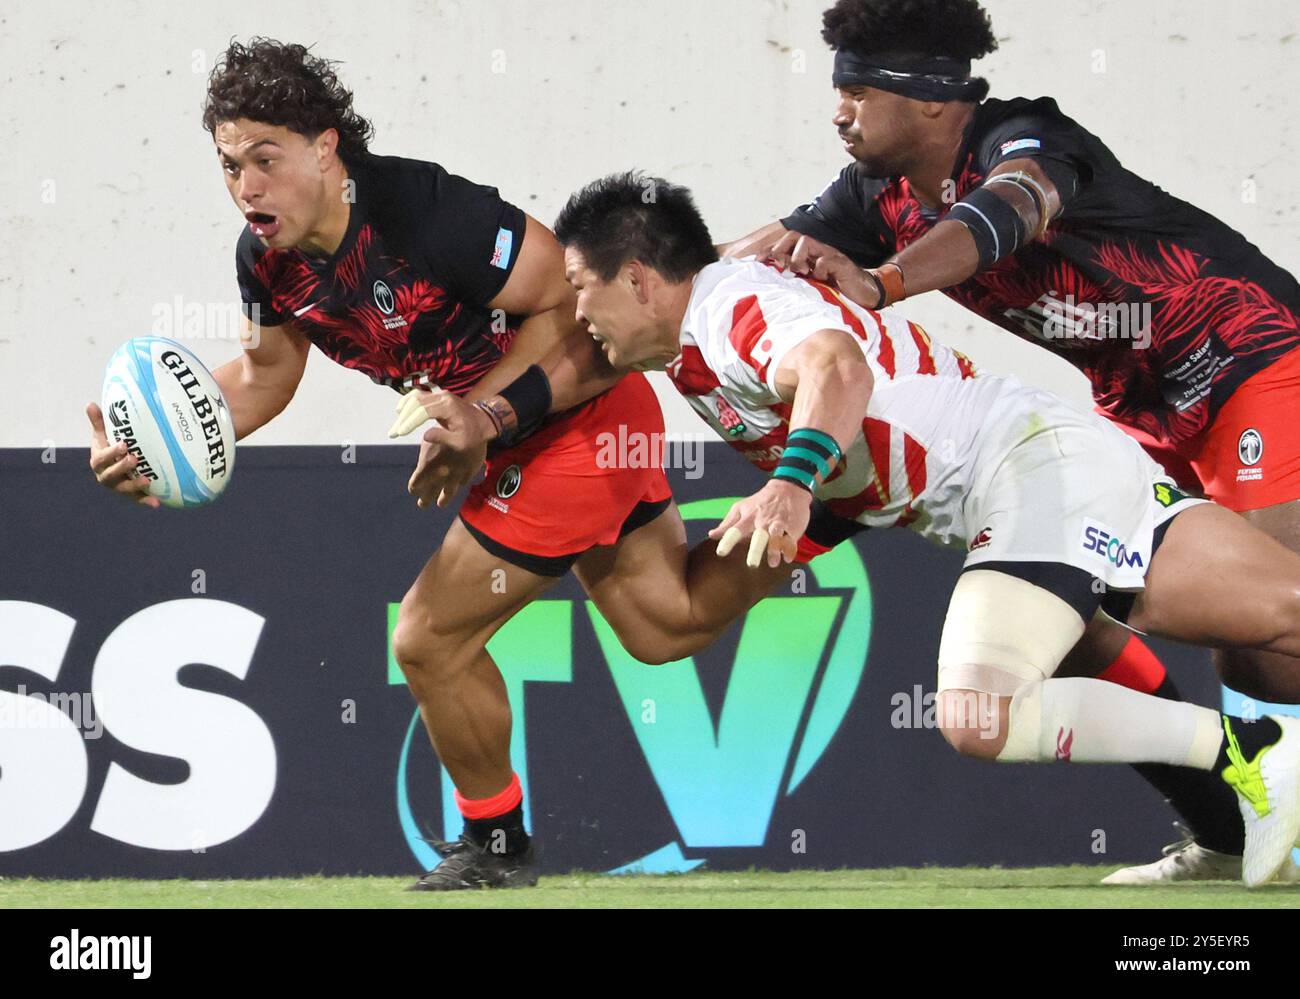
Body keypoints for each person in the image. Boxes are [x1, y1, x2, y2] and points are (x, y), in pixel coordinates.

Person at [85, 38, 790, 891]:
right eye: (229, 165)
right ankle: (822, 511)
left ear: (326, 147)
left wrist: (484, 415)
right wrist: (157, 444)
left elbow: (568, 302)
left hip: (571, 417)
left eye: (265, 159)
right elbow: (266, 379)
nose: (246, 186)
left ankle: (495, 844)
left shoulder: (424, 210)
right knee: (663, 625)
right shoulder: (264, 261)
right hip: (524, 439)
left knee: (427, 638)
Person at [548, 169, 1300, 888]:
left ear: (640, 279)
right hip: (1047, 457)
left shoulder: (723, 311)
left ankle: (1251, 750)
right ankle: (1231, 818)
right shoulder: (698, 333)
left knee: (979, 714)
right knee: (1281, 610)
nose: (578, 315)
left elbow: (838, 368)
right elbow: (677, 615)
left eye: (582, 289)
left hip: (1028, 470)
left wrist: (790, 481)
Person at [722, 0, 1300, 883]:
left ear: (929, 100)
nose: (839, 112)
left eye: (860, 91)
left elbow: (1003, 218)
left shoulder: (1030, 141)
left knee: (1276, 619)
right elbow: (745, 261)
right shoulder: (871, 197)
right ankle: (1226, 827)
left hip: (1248, 358)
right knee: (1175, 642)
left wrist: (881, 284)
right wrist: (616, 285)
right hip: (1139, 411)